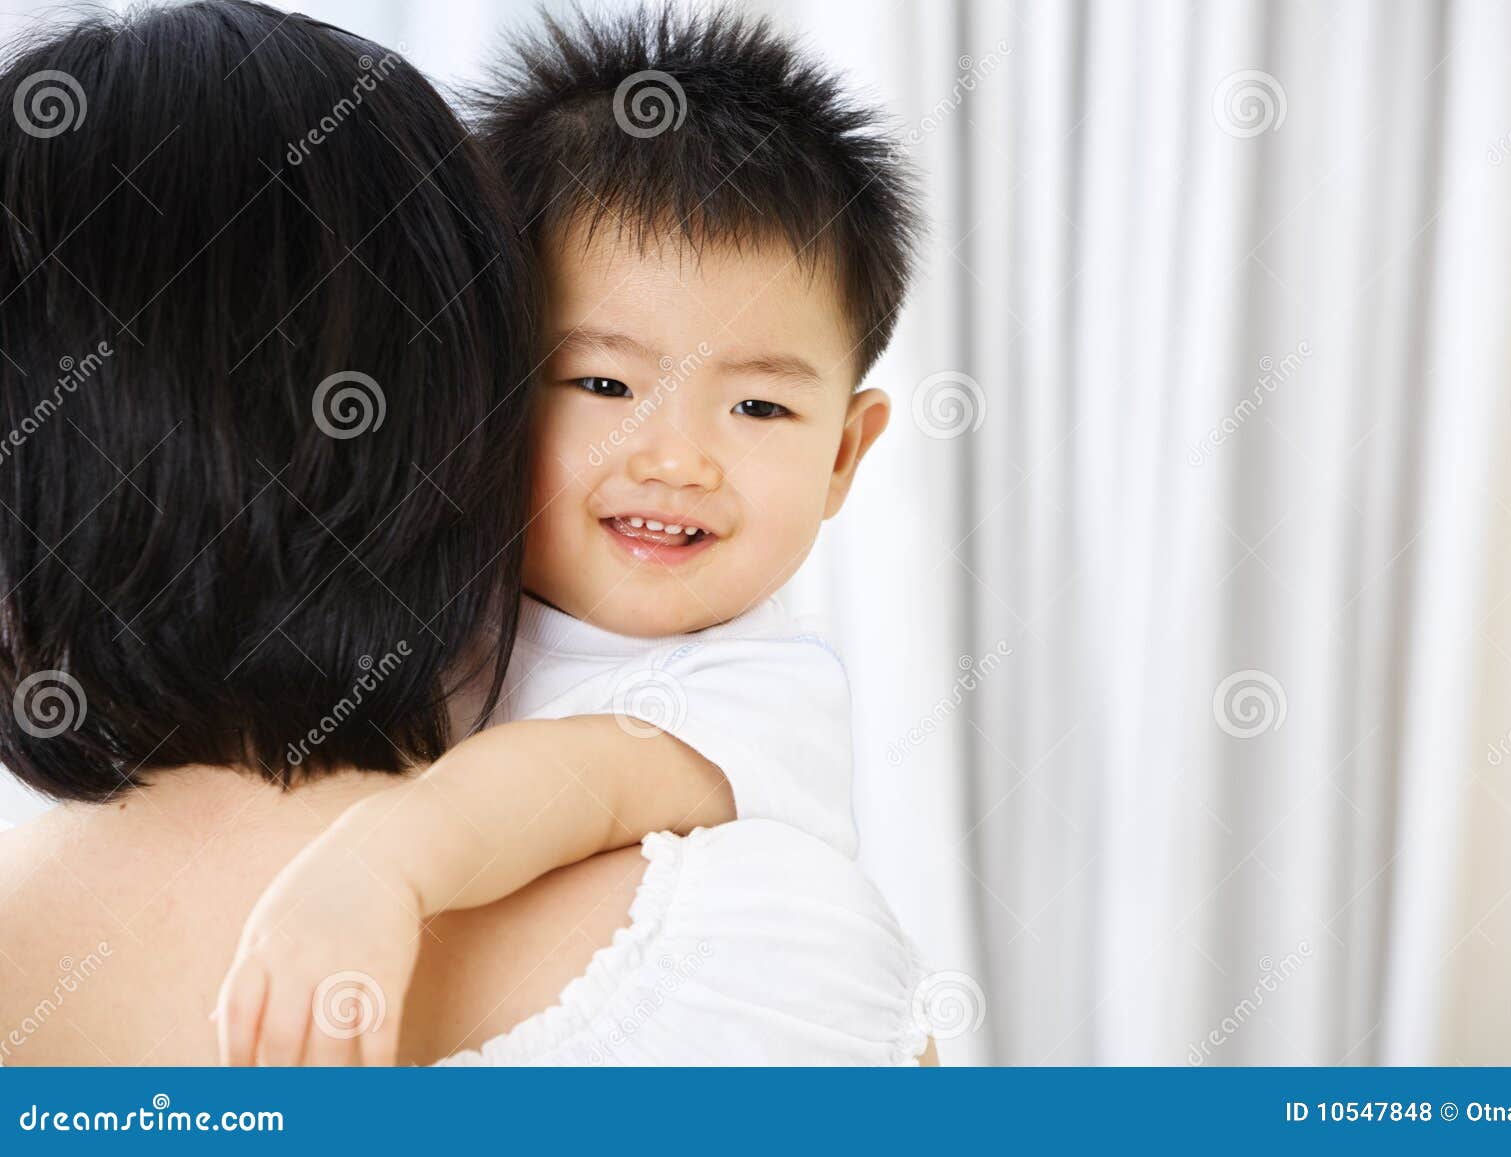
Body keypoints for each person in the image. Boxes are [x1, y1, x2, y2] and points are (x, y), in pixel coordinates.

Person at [0, 0, 928, 1067]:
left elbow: (587, 773)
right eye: (601, 382)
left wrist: (384, 865)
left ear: (847, 453)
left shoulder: (754, 687)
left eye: (759, 407)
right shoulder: (467, 617)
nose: (678, 459)